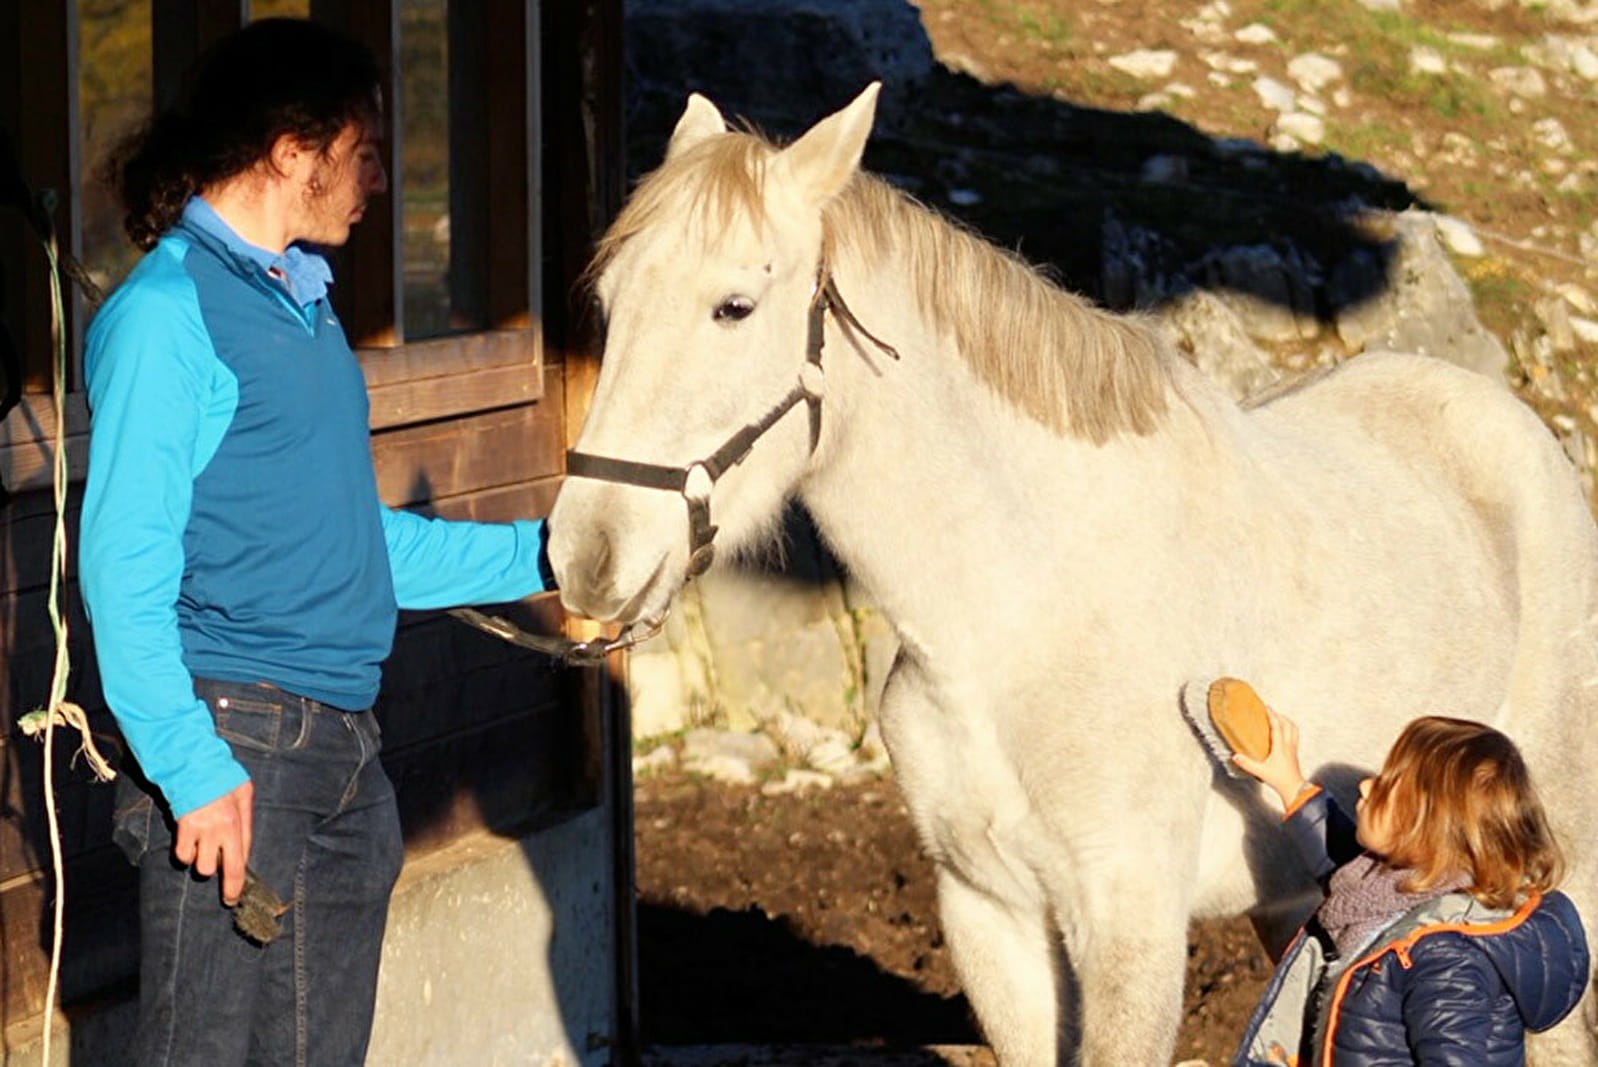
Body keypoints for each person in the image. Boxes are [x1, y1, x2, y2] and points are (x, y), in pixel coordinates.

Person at [78, 18, 553, 1066]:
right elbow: (123, 562)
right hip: (237, 744)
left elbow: (352, 545)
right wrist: (189, 763)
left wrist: (548, 555)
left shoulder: (302, 310)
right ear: (292, 151)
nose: (377, 178)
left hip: (343, 749)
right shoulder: (167, 314)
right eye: (364, 151)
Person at [1231, 711, 1589, 1066]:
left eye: (1386, 786)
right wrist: (1290, 784)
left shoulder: (1446, 963)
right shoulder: (1403, 885)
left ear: (1425, 829)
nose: (1365, 785)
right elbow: (1343, 866)